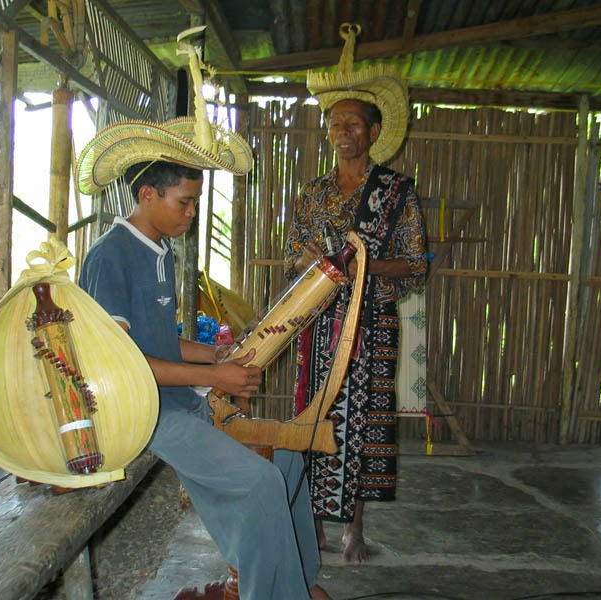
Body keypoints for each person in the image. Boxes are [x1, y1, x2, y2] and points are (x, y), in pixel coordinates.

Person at [75, 28, 332, 600]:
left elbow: (163, 340)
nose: (191, 212)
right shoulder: (109, 257)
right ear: (147, 196)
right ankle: (279, 593)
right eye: (184, 202)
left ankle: (290, 582)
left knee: (288, 457)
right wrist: (216, 376)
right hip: (141, 416)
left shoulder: (159, 251)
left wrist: (217, 355)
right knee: (260, 482)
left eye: (194, 201)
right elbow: (124, 367)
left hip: (179, 399)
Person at [284, 23, 428, 565]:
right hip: (321, 322)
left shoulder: (395, 192)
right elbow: (295, 254)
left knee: (364, 422)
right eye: (334, 124)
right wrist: (322, 267)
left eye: (353, 124)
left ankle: (354, 532)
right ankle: (315, 526)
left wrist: (360, 266)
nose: (342, 131)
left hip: (373, 322)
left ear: (373, 132)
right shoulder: (315, 193)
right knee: (316, 417)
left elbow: (415, 264)